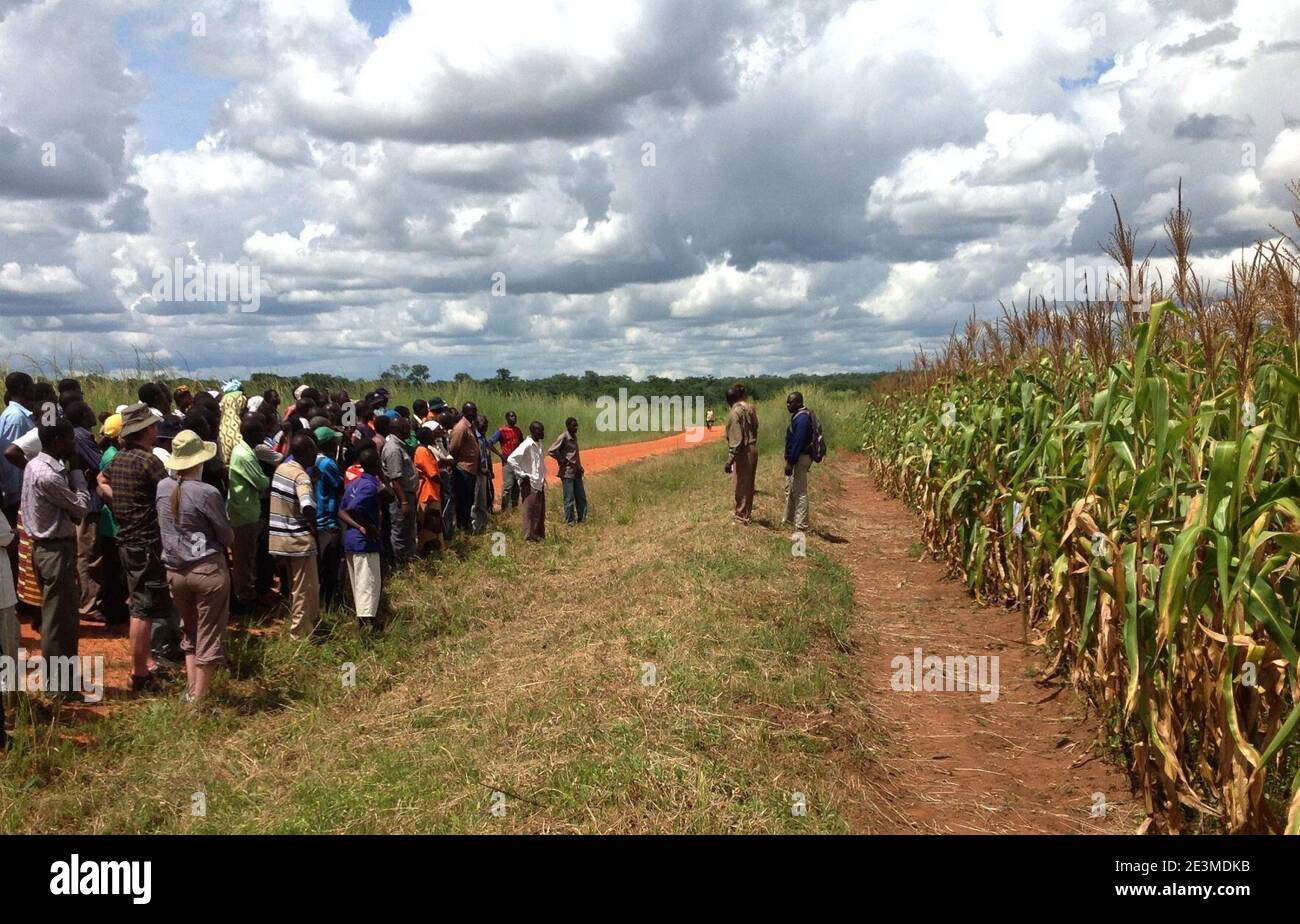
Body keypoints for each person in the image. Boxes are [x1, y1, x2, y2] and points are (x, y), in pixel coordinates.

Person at [103, 402, 178, 691]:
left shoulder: (119, 458)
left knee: (138, 603)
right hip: (146, 543)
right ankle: (140, 673)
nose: (156, 430)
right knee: (142, 610)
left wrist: (119, 502)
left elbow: (101, 480)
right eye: (153, 426)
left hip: (126, 540)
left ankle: (145, 662)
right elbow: (170, 495)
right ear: (146, 430)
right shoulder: (149, 462)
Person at [156, 430, 232, 703]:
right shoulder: (207, 492)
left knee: (190, 631)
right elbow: (225, 534)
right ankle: (199, 701)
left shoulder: (163, 487)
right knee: (210, 635)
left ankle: (192, 691)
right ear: (199, 461)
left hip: (176, 572)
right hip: (207, 571)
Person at [20, 420, 92, 675]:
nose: (74, 444)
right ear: (56, 441)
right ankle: (60, 685)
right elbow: (80, 508)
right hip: (55, 551)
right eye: (70, 439)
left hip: (45, 549)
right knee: (59, 621)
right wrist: (78, 476)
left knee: (61, 617)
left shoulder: (33, 465)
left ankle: (62, 680)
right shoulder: (49, 475)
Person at [269, 432, 319, 640]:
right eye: (313, 451)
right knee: (304, 589)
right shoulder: (301, 477)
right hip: (298, 539)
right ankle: (299, 635)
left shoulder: (282, 469)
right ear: (306, 452)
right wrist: (313, 529)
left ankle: (310, 624)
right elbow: (307, 506)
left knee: (294, 586)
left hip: (279, 537)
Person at [338, 446, 389, 634]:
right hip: (364, 543)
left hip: (352, 541)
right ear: (376, 464)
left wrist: (358, 526)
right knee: (369, 585)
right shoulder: (369, 485)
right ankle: (368, 629)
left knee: (359, 585)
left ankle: (365, 624)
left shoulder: (355, 484)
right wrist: (367, 527)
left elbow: (342, 511)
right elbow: (355, 508)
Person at [65, 400, 105, 620]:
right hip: (88, 502)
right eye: (89, 409)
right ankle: (89, 604)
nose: (93, 412)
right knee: (89, 553)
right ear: (82, 415)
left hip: (87, 500)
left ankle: (90, 601)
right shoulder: (81, 436)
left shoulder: (80, 435)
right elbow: (101, 464)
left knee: (88, 552)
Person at [226, 414, 270, 613]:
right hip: (244, 513)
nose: (264, 433)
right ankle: (245, 598)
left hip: (244, 510)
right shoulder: (245, 456)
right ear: (252, 434)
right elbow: (261, 482)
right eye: (260, 430)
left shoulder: (242, 450)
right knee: (244, 559)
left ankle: (246, 594)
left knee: (246, 556)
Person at [0, 372, 36, 596]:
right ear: (23, 387)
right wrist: (16, 494)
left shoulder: (19, 414)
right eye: (31, 385)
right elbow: (9, 458)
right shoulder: (15, 417)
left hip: (19, 492)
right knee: (18, 548)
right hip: (17, 493)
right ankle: (19, 596)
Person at [311, 427, 345, 607]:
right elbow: (340, 486)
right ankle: (328, 605)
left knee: (321, 567)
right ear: (329, 444)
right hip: (328, 520)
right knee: (330, 567)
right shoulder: (327, 464)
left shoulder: (311, 461)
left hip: (316, 518)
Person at [379, 416, 418, 563]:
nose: (409, 430)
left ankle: (409, 559)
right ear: (399, 430)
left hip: (407, 494)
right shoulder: (393, 449)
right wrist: (404, 502)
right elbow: (395, 479)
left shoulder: (399, 445)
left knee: (408, 529)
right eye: (407, 427)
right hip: (401, 497)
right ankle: (401, 564)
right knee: (400, 531)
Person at [723, 383, 759, 524]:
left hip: (743, 451)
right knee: (749, 483)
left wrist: (730, 459)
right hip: (753, 447)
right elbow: (756, 427)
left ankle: (741, 515)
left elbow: (736, 439)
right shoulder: (750, 409)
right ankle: (746, 513)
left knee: (741, 484)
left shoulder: (735, 413)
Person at [507, 421, 547, 541]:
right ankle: (528, 537)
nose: (543, 433)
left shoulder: (539, 444)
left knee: (539, 511)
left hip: (539, 483)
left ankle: (538, 536)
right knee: (529, 511)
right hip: (530, 483)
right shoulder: (527, 444)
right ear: (534, 432)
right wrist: (522, 475)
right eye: (541, 430)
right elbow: (511, 459)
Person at [783, 391, 814, 533]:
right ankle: (789, 520)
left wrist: (790, 462)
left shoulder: (802, 419)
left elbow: (798, 443)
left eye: (791, 402)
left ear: (799, 403)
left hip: (801, 458)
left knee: (800, 492)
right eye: (788, 402)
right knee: (791, 489)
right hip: (799, 457)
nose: (788, 405)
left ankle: (800, 526)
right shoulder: (800, 416)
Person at [549, 416, 587, 524]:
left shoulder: (574, 438)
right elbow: (551, 450)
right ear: (568, 426)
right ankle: (570, 522)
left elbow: (575, 455)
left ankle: (582, 520)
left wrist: (579, 466)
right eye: (573, 425)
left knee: (581, 497)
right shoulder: (563, 437)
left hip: (576, 472)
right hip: (567, 473)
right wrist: (561, 459)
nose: (576, 428)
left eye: (577, 425)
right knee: (569, 499)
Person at [411, 425, 443, 553]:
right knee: (429, 524)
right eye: (430, 434)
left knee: (434, 524)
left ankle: (435, 550)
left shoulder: (426, 449)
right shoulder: (422, 451)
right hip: (427, 493)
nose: (433, 436)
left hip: (433, 491)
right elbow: (432, 474)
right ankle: (427, 551)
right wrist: (444, 485)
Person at [449, 402, 480, 531]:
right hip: (463, 469)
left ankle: (466, 526)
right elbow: (453, 449)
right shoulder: (461, 427)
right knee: (463, 501)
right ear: (465, 412)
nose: (475, 413)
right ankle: (463, 528)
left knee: (469, 500)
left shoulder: (470, 426)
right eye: (472, 411)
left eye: (475, 410)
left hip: (471, 470)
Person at [488, 411, 523, 511]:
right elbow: (490, 443)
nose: (514, 418)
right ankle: (504, 509)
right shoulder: (501, 431)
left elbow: (522, 443)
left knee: (517, 486)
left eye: (515, 416)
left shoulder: (518, 430)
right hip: (507, 462)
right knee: (508, 486)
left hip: (517, 462)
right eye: (511, 416)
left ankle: (514, 508)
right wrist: (500, 455)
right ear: (507, 418)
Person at [474, 415, 492, 532]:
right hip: (476, 472)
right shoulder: (475, 437)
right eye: (482, 423)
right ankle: (475, 527)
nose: (485, 425)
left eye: (486, 423)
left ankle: (482, 526)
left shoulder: (483, 438)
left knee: (483, 499)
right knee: (475, 500)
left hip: (484, 472)